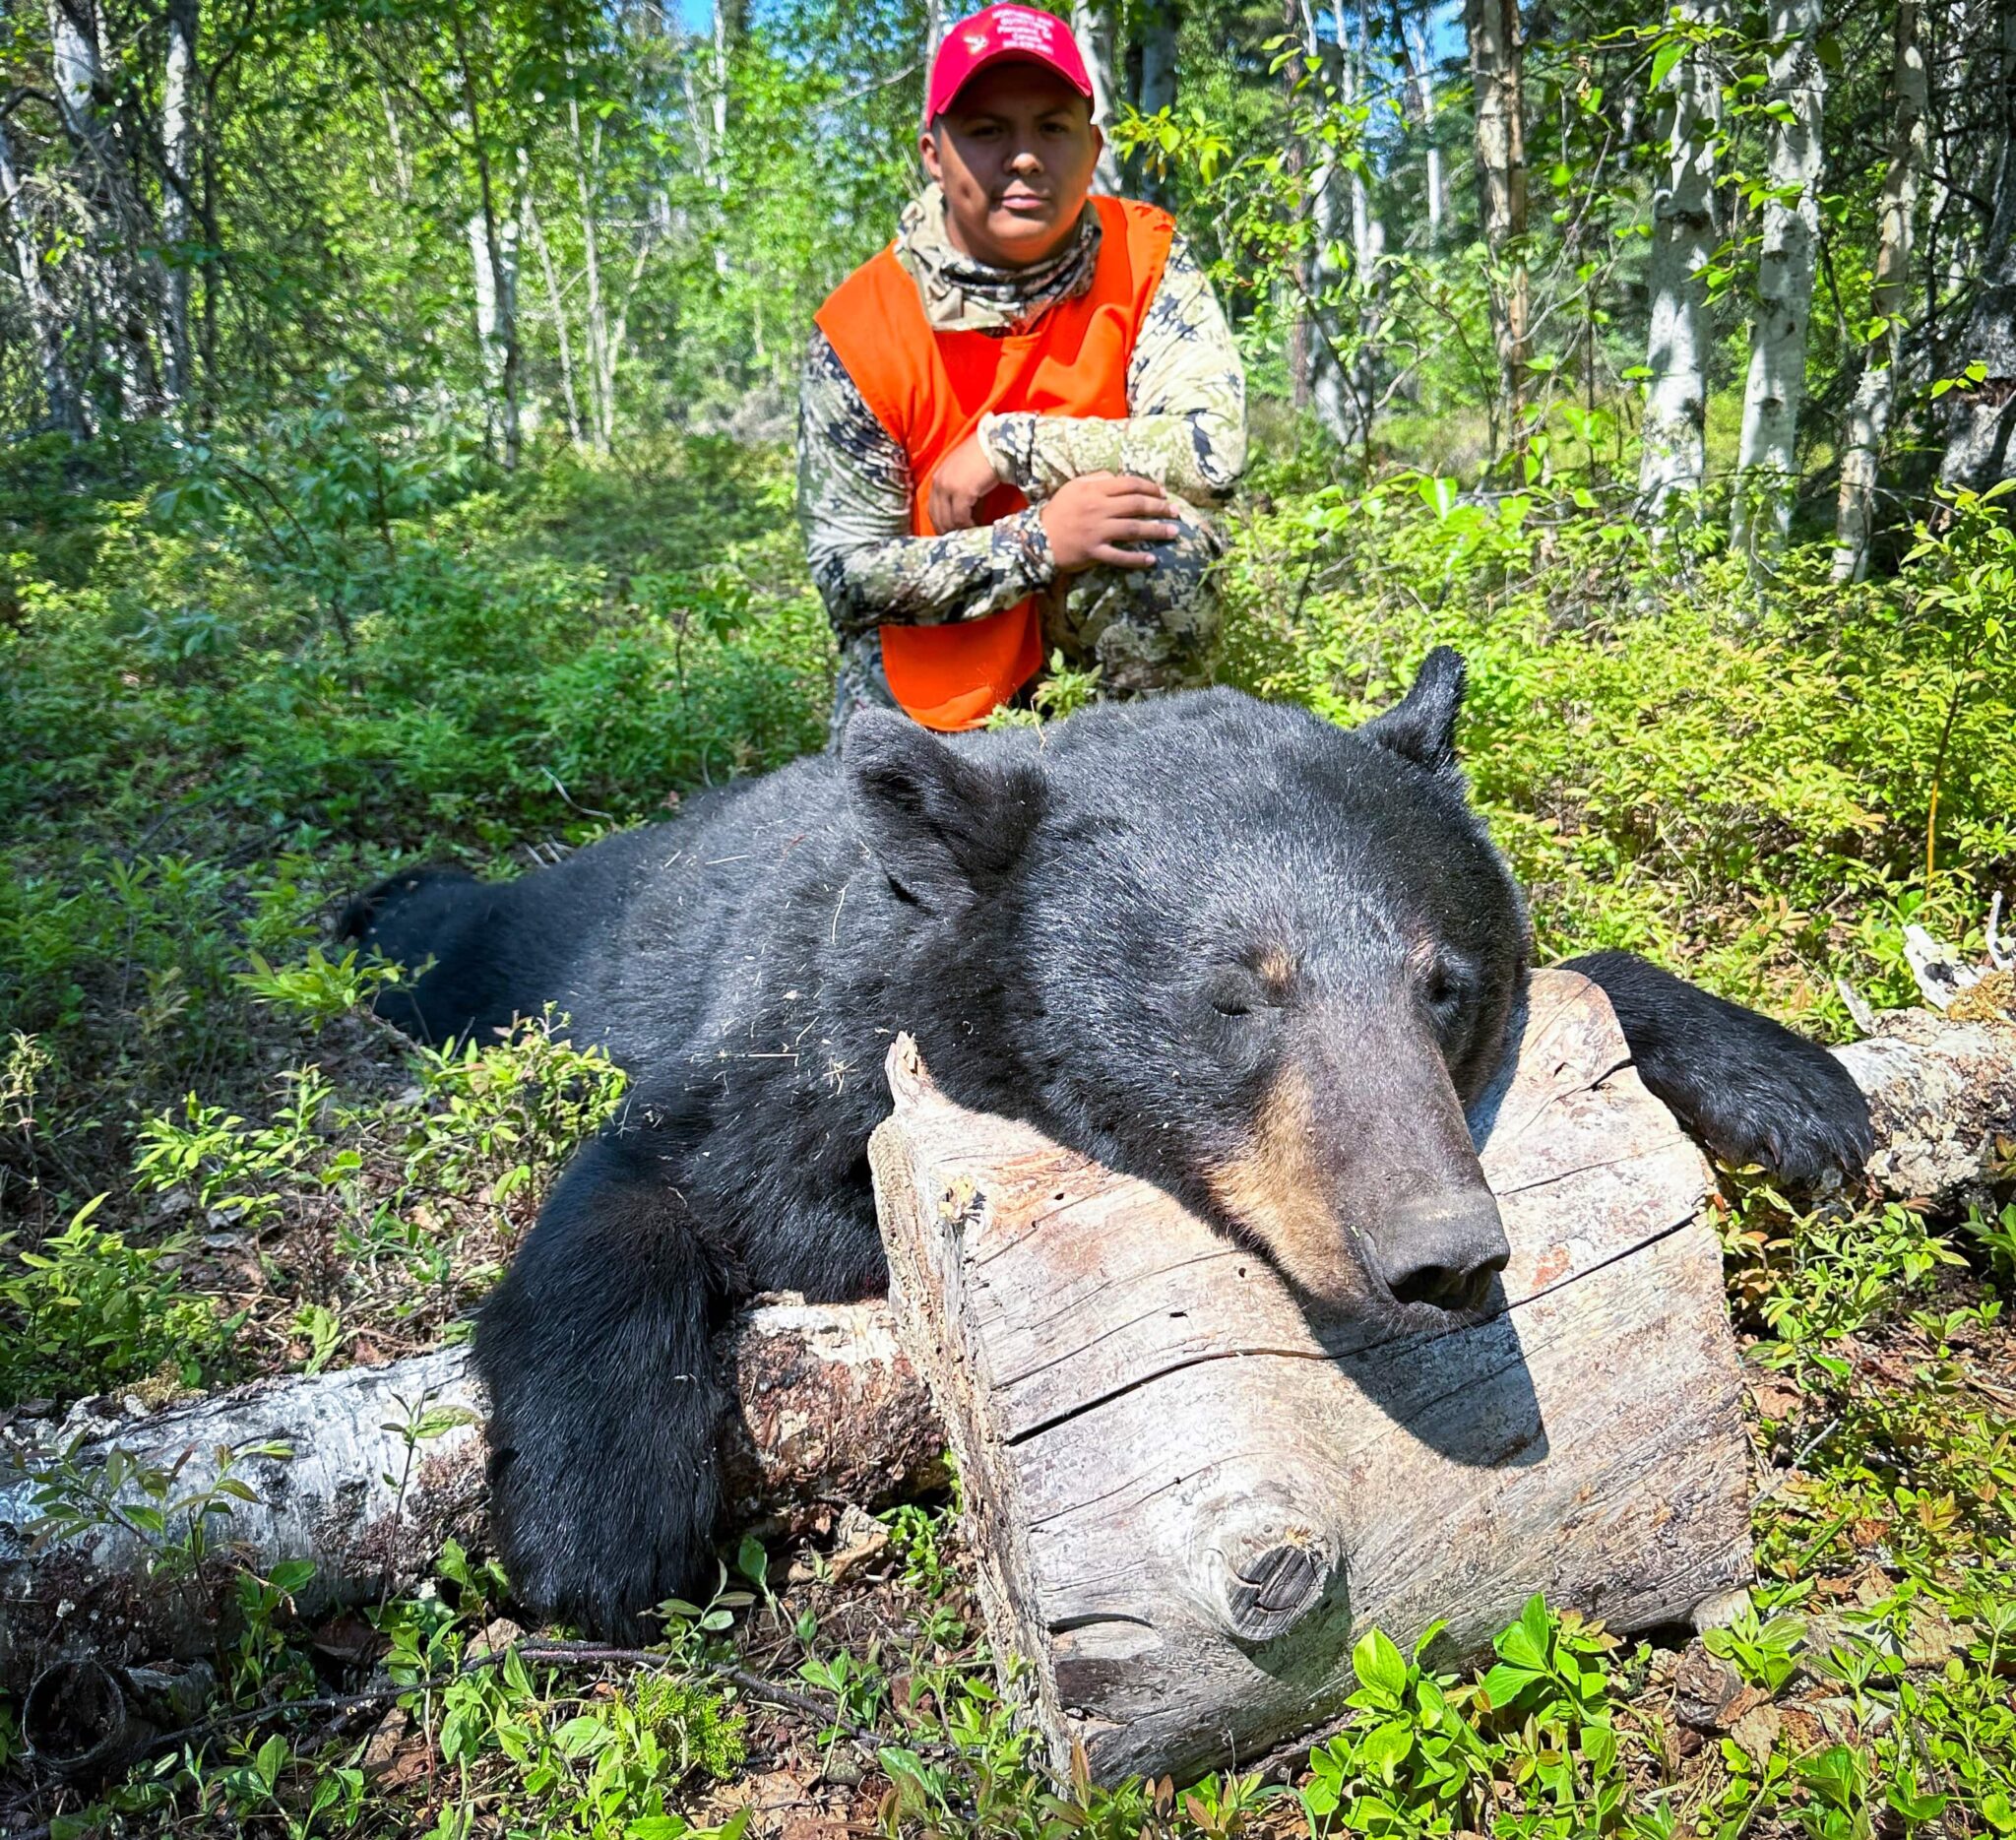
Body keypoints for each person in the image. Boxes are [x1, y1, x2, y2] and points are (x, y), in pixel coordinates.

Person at [798, 1, 1247, 740]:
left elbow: (1211, 453)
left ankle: (1139, 801)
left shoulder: (1147, 258)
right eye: (986, 131)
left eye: (1052, 127)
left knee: (1165, 542)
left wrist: (1015, 446)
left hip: (1093, 643)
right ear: (933, 154)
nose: (1026, 156)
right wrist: (1040, 539)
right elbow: (849, 577)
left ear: (1093, 144)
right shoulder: (862, 328)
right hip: (934, 673)